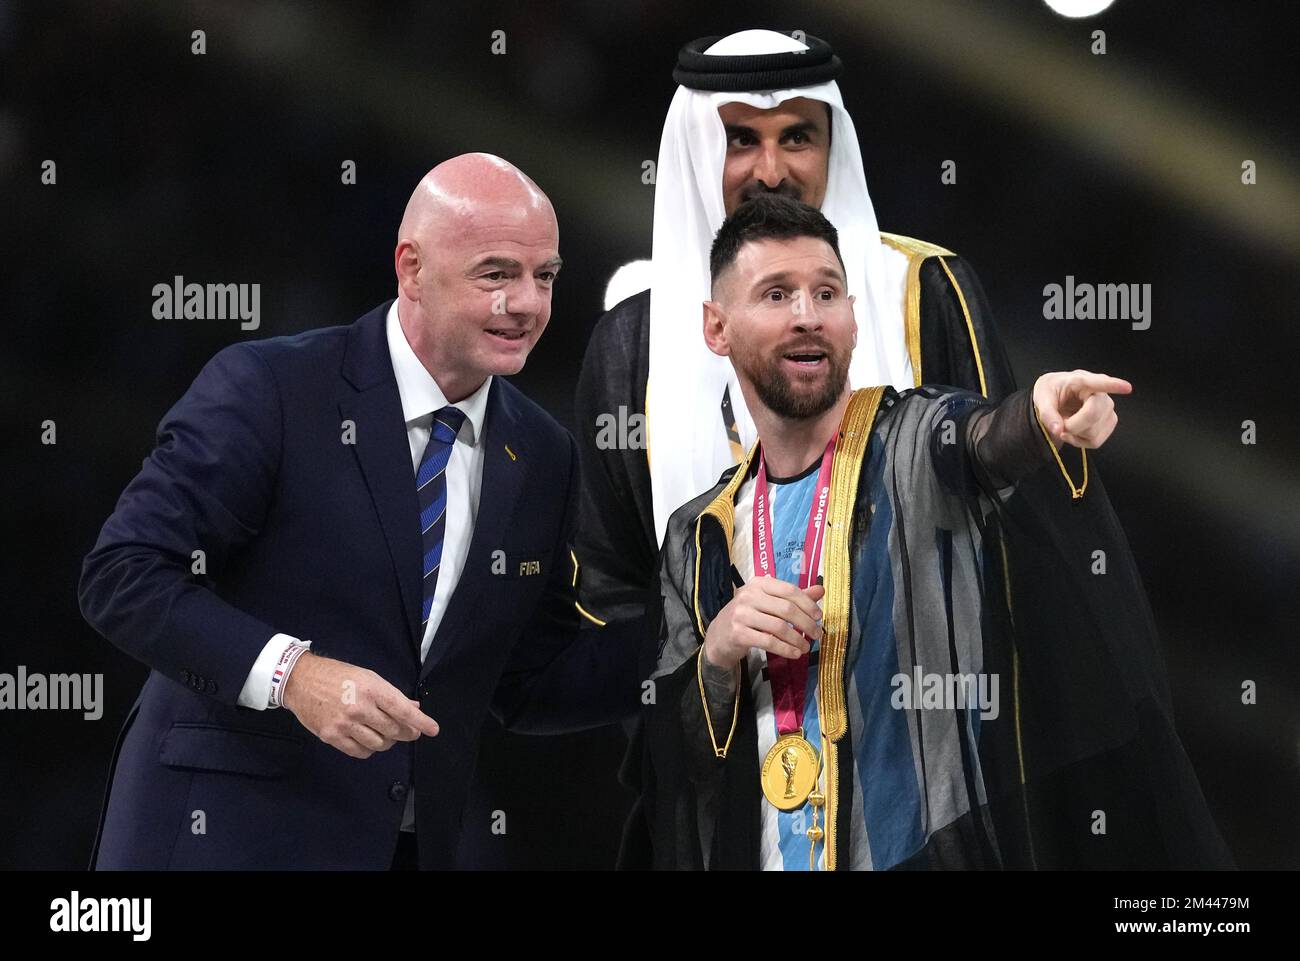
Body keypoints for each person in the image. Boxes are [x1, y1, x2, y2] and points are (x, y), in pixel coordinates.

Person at [78, 153, 653, 871]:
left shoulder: (542, 454)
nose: (529, 304)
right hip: (218, 840)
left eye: (545, 276)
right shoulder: (272, 389)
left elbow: (533, 680)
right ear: (410, 268)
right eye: (497, 274)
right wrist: (294, 674)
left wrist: (701, 638)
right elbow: (123, 574)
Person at [636, 194, 1232, 870]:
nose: (808, 315)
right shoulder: (699, 535)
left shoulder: (917, 440)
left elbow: (981, 441)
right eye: (777, 294)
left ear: (854, 319)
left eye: (826, 292)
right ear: (717, 327)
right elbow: (665, 760)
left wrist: (1042, 415)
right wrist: (717, 655)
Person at [574, 29, 1015, 630]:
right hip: (718, 715)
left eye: (797, 137)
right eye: (741, 141)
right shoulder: (632, 343)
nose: (772, 171)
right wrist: (705, 665)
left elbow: (1002, 512)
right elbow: (610, 588)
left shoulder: (926, 289)